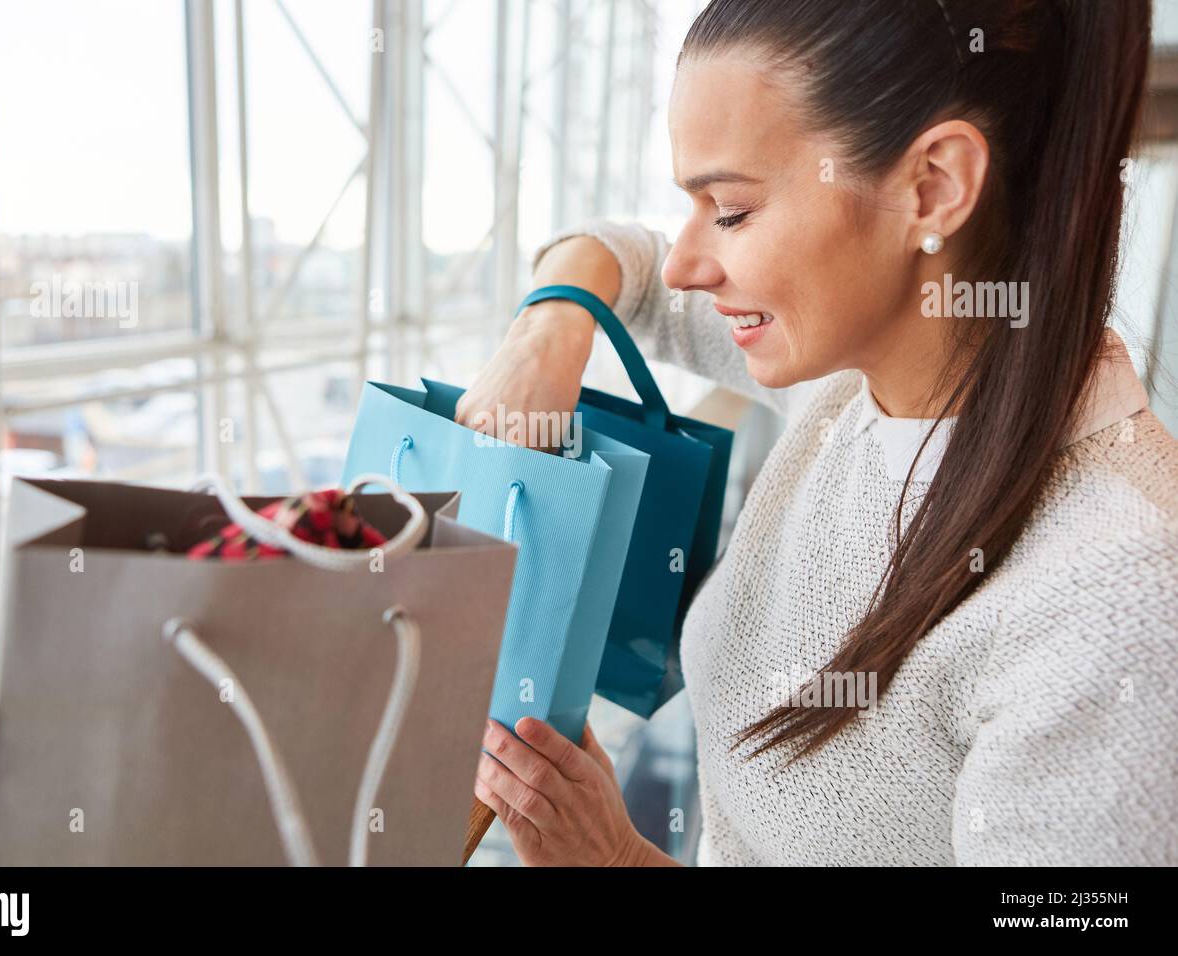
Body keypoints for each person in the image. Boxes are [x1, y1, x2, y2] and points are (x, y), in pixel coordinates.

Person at [457, 0, 1178, 866]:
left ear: (933, 187)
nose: (691, 261)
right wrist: (551, 326)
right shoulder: (852, 366)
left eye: (729, 210)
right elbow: (632, 262)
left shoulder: (1118, 596)